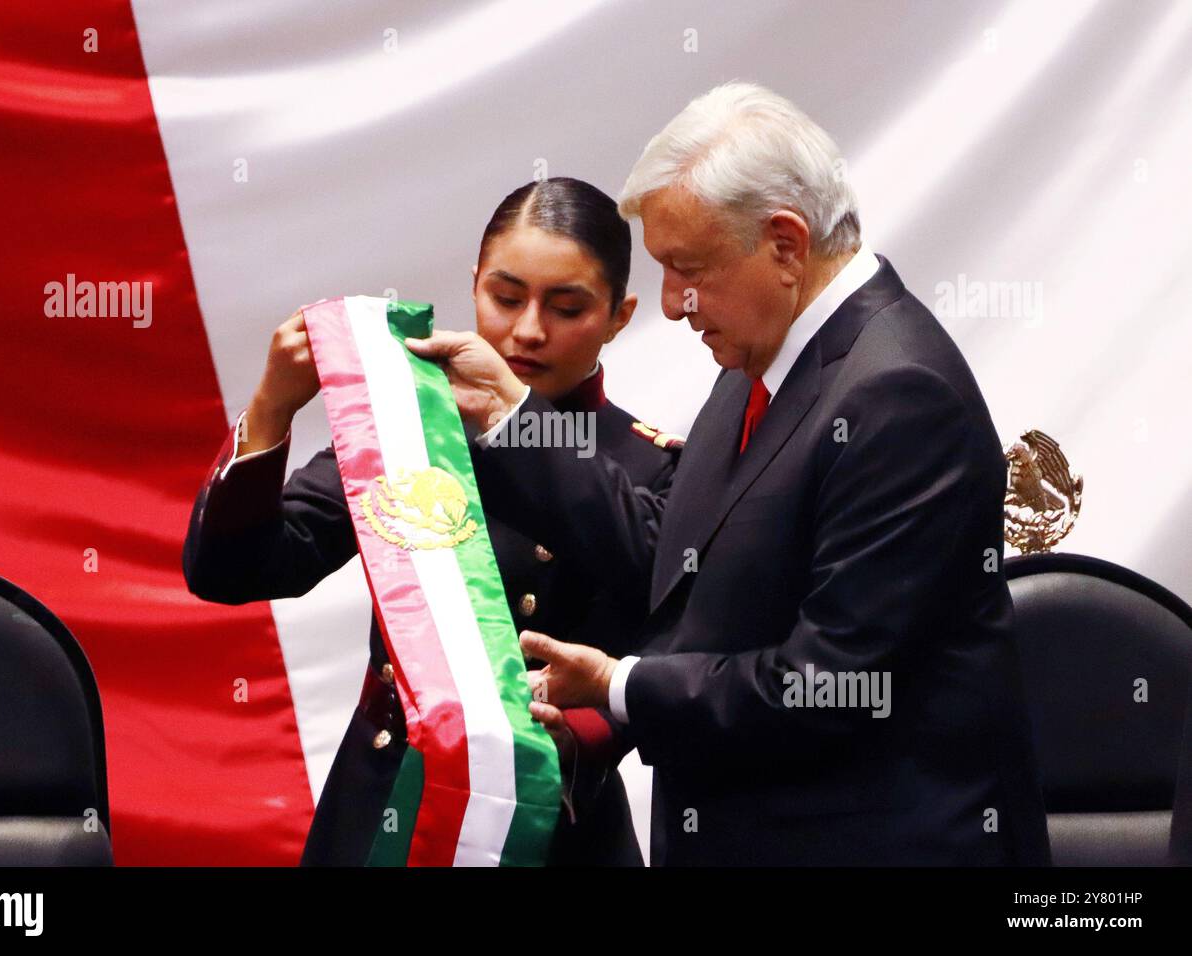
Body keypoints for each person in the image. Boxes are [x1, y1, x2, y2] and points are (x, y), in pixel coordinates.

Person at [409, 83, 1052, 866]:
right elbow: (670, 558)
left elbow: (827, 685)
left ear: (785, 244)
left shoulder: (896, 392)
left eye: (688, 268)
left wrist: (619, 684)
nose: (674, 304)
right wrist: (514, 415)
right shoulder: (762, 362)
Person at [182, 177, 680, 866]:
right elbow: (233, 572)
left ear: (621, 316)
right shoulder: (410, 425)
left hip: (552, 817)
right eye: (505, 298)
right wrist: (272, 409)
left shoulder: (651, 465)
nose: (528, 329)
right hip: (387, 801)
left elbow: (674, 638)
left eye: (567, 308)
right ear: (473, 283)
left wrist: (575, 737)